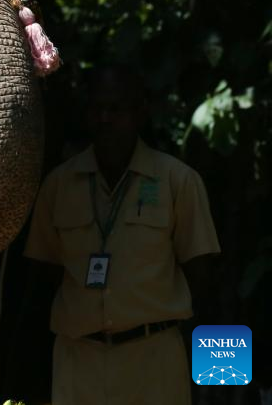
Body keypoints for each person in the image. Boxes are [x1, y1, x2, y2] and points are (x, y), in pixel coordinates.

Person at [23, 64, 220, 404]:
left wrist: (216, 378)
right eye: (97, 108)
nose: (105, 119)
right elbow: (42, 281)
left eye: (116, 108)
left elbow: (205, 284)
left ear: (140, 112)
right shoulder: (58, 185)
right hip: (77, 362)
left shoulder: (179, 182)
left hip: (155, 361)